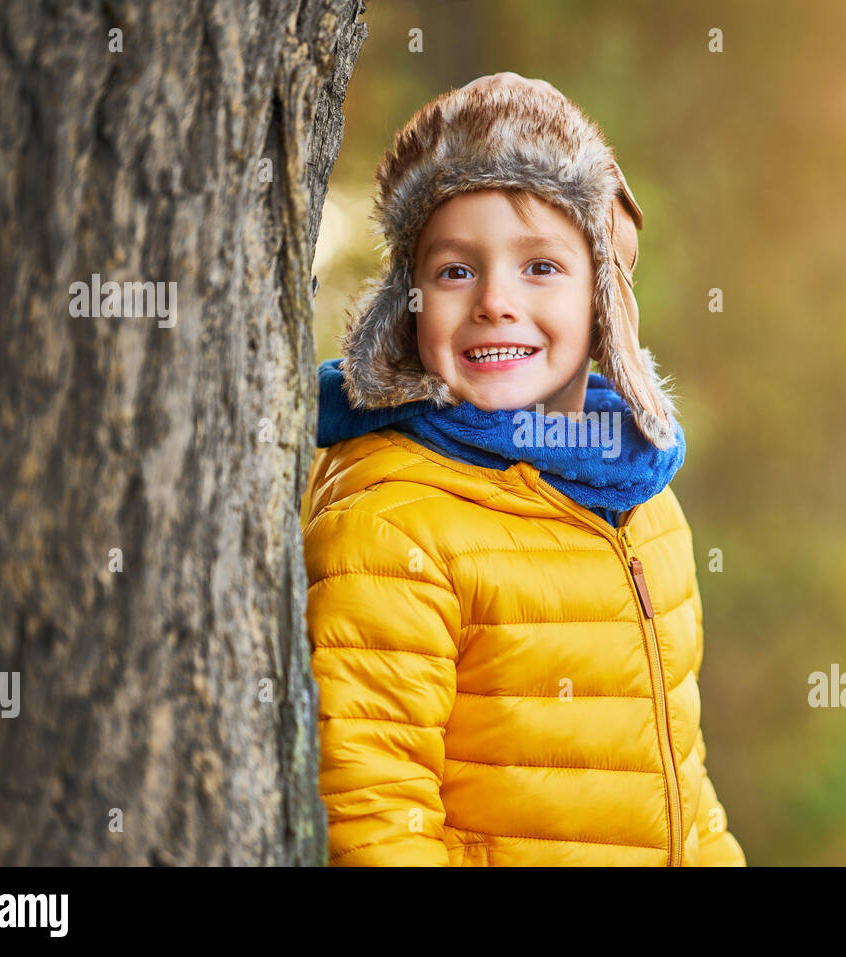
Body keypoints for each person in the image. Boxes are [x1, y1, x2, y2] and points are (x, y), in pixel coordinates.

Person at [301, 71, 746, 866]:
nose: (495, 300)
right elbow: (374, 818)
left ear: (602, 299)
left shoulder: (642, 498)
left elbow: (686, 783)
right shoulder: (390, 523)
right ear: (406, 304)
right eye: (455, 270)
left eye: (540, 266)